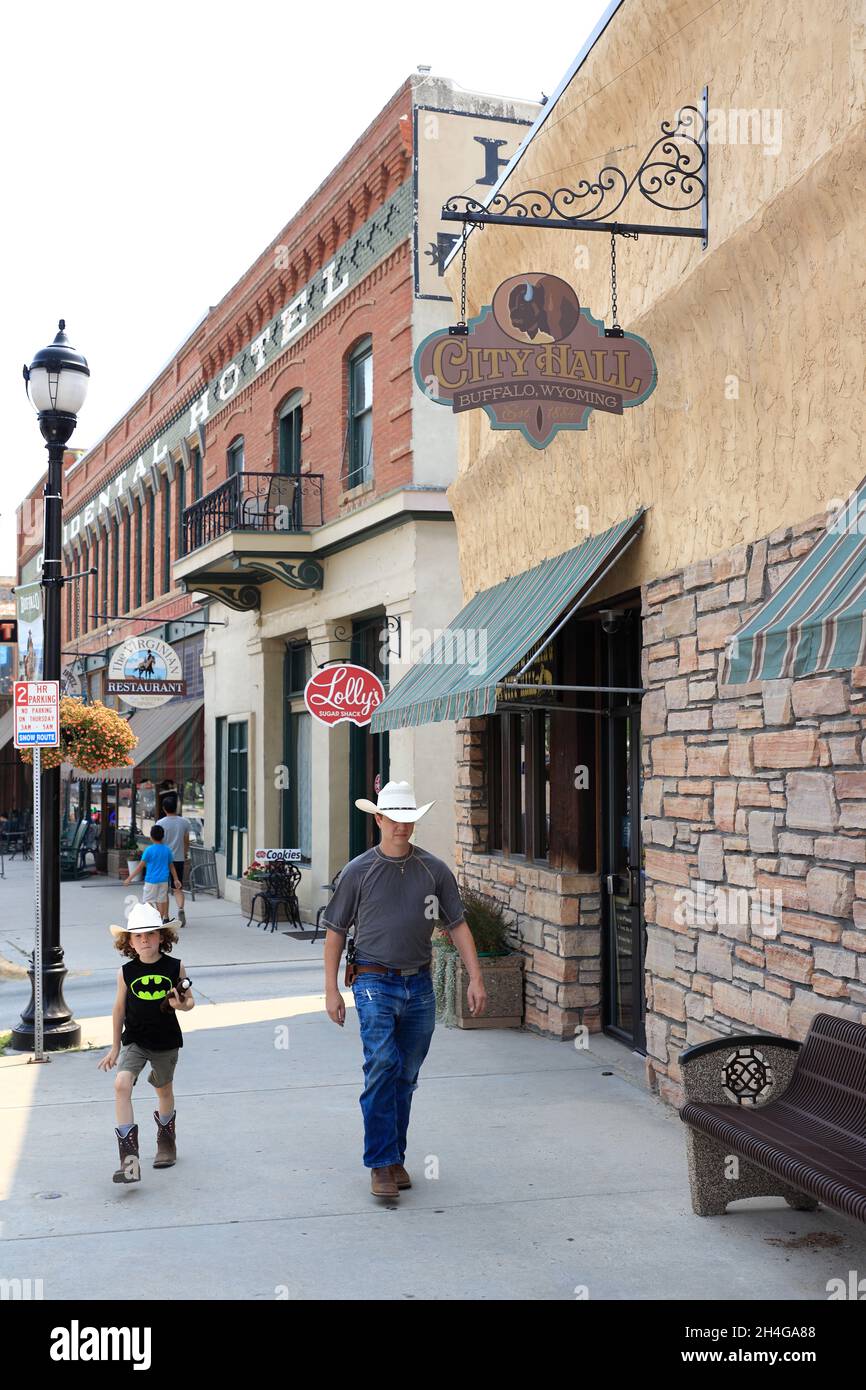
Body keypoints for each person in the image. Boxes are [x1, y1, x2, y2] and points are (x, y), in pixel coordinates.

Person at [323, 780, 488, 1200]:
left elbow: (457, 925)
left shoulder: (434, 870)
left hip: (419, 983)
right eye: (393, 818)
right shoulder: (358, 871)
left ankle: (394, 1156)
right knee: (381, 1062)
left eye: (408, 819)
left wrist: (476, 977)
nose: (401, 826)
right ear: (378, 819)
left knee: (406, 1075)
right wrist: (330, 990)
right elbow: (335, 933)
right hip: (372, 978)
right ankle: (380, 1163)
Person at [98, 902, 194, 1182]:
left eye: (151, 934)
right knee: (121, 1084)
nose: (145, 940)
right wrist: (116, 1047)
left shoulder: (175, 966)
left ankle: (166, 1140)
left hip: (165, 1040)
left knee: (163, 1090)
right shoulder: (125, 973)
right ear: (128, 941)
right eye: (138, 935)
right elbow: (118, 1010)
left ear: (162, 936)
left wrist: (181, 1004)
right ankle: (129, 1161)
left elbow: (190, 1001)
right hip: (135, 1040)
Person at [123, 824, 180, 924]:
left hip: (151, 881)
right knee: (161, 901)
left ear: (151, 837)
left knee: (148, 902)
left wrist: (129, 878)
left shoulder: (149, 850)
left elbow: (140, 866)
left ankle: (152, 919)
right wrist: (176, 879)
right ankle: (159, 920)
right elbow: (171, 866)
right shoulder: (167, 850)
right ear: (163, 837)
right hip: (164, 880)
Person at [156, 791, 192, 928]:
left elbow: (158, 842)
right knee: (178, 888)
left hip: (164, 860)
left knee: (164, 890)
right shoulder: (184, 822)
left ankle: (165, 917)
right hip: (178, 859)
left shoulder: (160, 823)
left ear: (164, 808)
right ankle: (181, 908)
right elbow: (186, 840)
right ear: (176, 807)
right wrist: (185, 853)